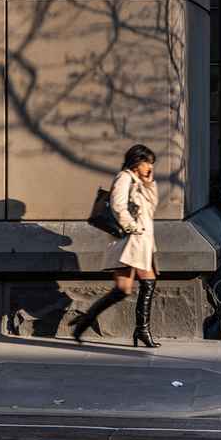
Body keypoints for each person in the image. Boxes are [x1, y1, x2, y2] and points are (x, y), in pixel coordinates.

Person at [70, 144, 161, 347]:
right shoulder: (124, 178)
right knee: (122, 290)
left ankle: (142, 330)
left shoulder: (140, 181)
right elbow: (118, 206)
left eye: (152, 163)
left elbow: (152, 208)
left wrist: (149, 183)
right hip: (129, 242)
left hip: (143, 243)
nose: (150, 166)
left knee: (149, 283)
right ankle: (84, 321)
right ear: (137, 161)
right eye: (148, 162)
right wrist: (133, 227)